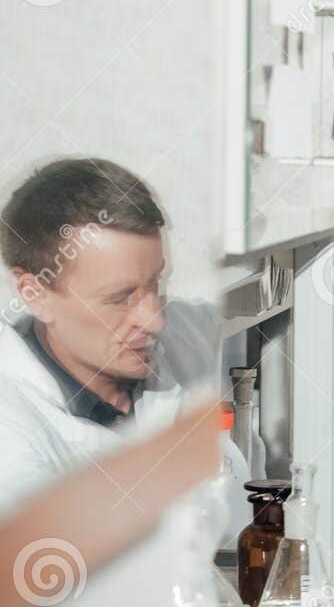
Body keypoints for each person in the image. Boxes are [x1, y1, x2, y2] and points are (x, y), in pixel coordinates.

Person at [0, 157, 244, 524]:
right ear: (35, 295)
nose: (155, 321)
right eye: (120, 298)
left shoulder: (187, 332)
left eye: (155, 283)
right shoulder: (12, 440)